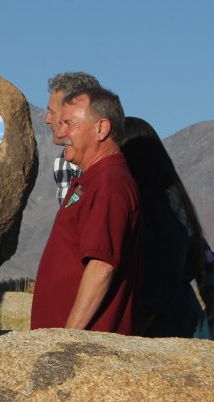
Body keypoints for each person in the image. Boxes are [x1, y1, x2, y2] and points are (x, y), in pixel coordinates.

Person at [31, 87, 140, 333]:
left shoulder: (110, 184)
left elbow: (102, 265)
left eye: (70, 124)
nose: (61, 133)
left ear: (101, 128)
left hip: (83, 346)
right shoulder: (90, 181)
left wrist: (69, 335)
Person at [117, 117, 212, 339]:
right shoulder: (166, 204)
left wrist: (125, 339)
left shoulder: (165, 211)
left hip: (175, 335)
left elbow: (156, 290)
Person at [46, 72, 101, 205]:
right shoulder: (62, 163)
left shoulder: (109, 165)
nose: (47, 120)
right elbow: (69, 209)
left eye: (52, 113)